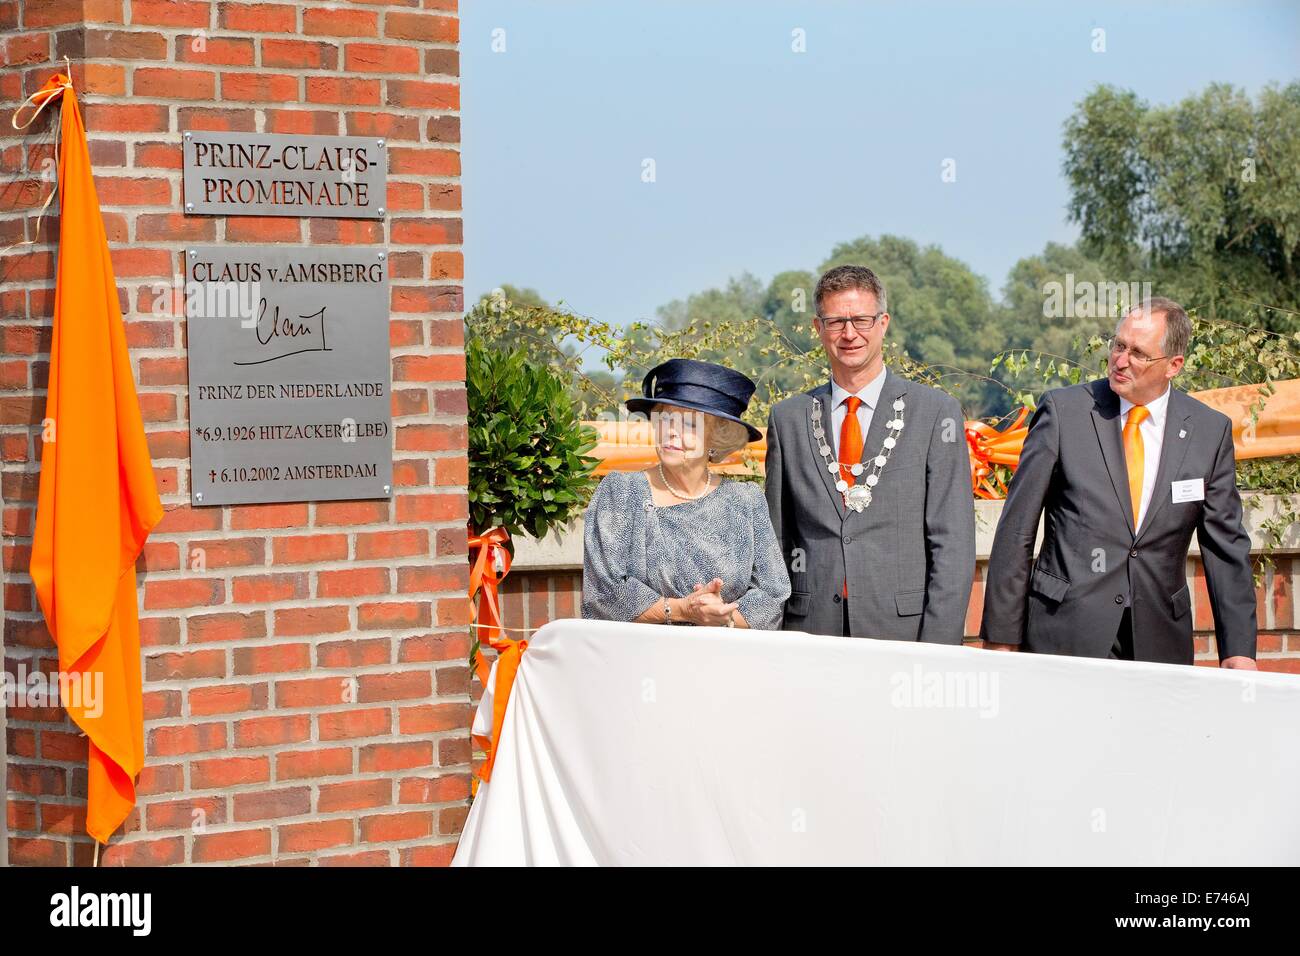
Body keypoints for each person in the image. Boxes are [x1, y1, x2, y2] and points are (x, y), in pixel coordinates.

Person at [980, 298, 1257, 668]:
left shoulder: (1209, 431)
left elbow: (1226, 547)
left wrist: (1239, 650)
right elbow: (1017, 530)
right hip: (1064, 635)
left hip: (1160, 643)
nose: (1121, 361)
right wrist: (1001, 638)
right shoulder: (1065, 413)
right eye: (1119, 345)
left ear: (1174, 365)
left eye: (1139, 353)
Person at [764, 265, 975, 640]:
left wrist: (937, 649)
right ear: (818, 328)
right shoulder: (788, 419)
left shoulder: (935, 413)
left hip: (902, 632)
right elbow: (777, 542)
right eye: (835, 322)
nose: (849, 334)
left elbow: (953, 544)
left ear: (883, 323)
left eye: (861, 320)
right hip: (809, 632)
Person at [581, 358, 791, 630]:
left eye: (689, 425)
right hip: (642, 661)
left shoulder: (746, 501)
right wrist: (684, 610)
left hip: (726, 662)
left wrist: (723, 617)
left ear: (716, 438)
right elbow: (604, 593)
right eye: (665, 419)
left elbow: (772, 596)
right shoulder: (621, 492)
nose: (671, 432)